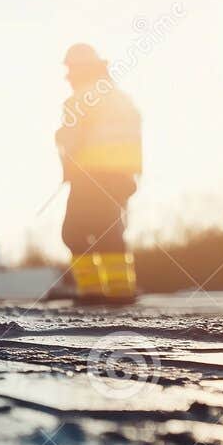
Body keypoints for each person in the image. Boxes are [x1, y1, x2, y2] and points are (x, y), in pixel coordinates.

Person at [56, 44, 142, 304]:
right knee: (109, 230)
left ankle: (96, 292)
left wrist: (60, 139)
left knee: (73, 232)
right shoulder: (119, 98)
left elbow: (71, 141)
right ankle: (118, 290)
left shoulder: (79, 100)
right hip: (122, 176)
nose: (68, 75)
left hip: (90, 175)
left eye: (71, 69)